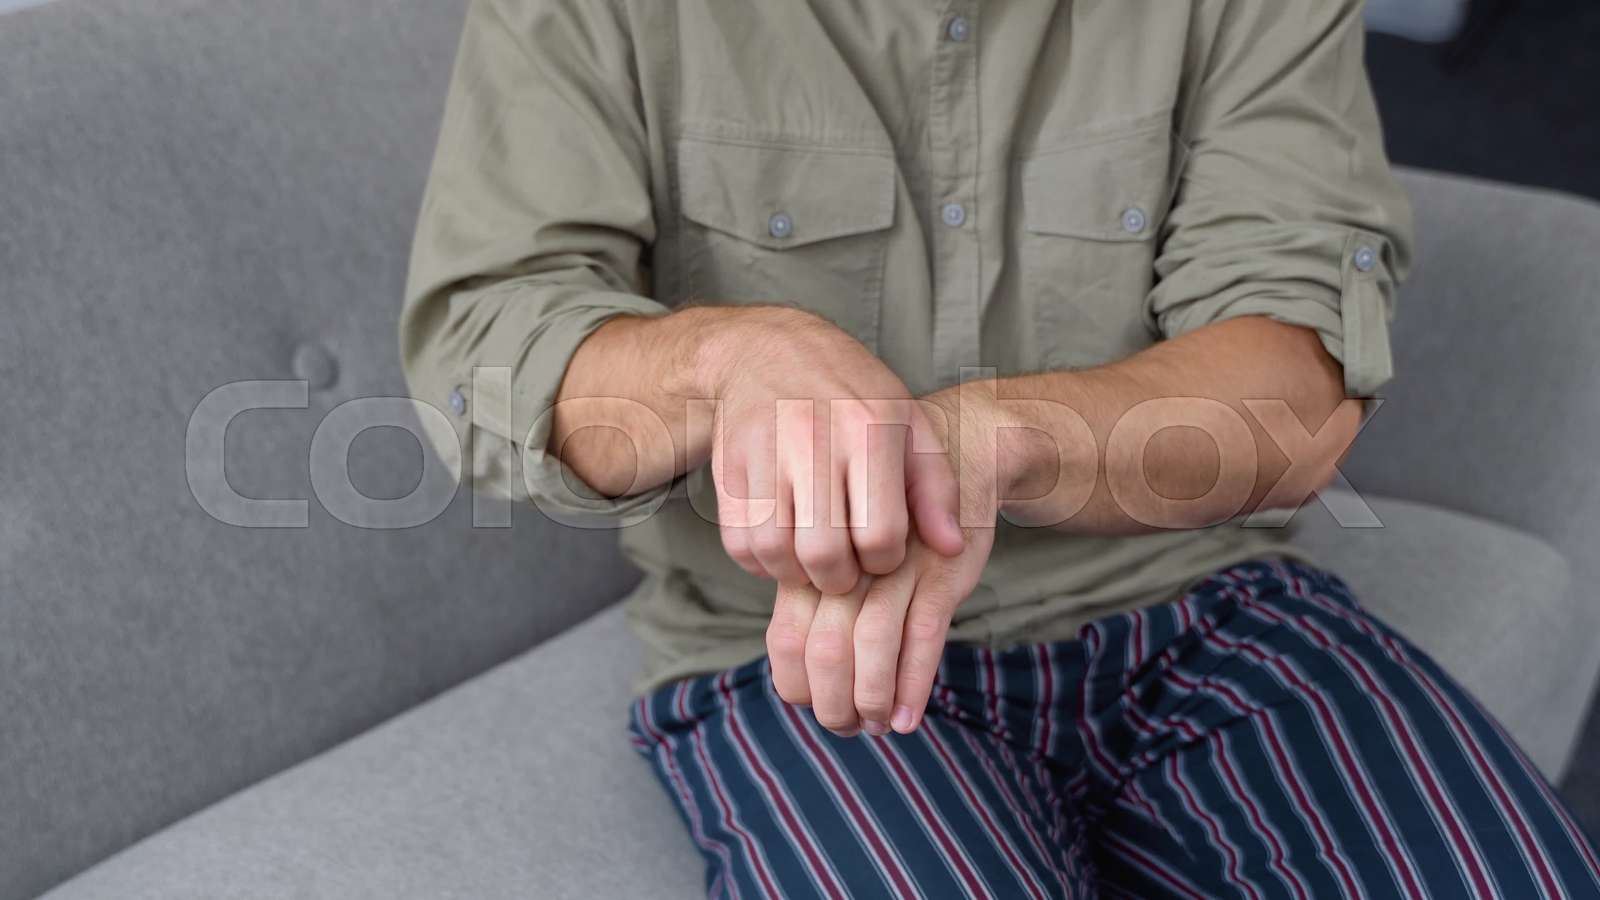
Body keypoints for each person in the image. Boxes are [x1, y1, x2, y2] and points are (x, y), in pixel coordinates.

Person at [402, 0, 1600, 895]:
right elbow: (484, 350)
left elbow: (1291, 396)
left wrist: (981, 442)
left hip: (1198, 594)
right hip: (800, 645)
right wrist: (730, 359)